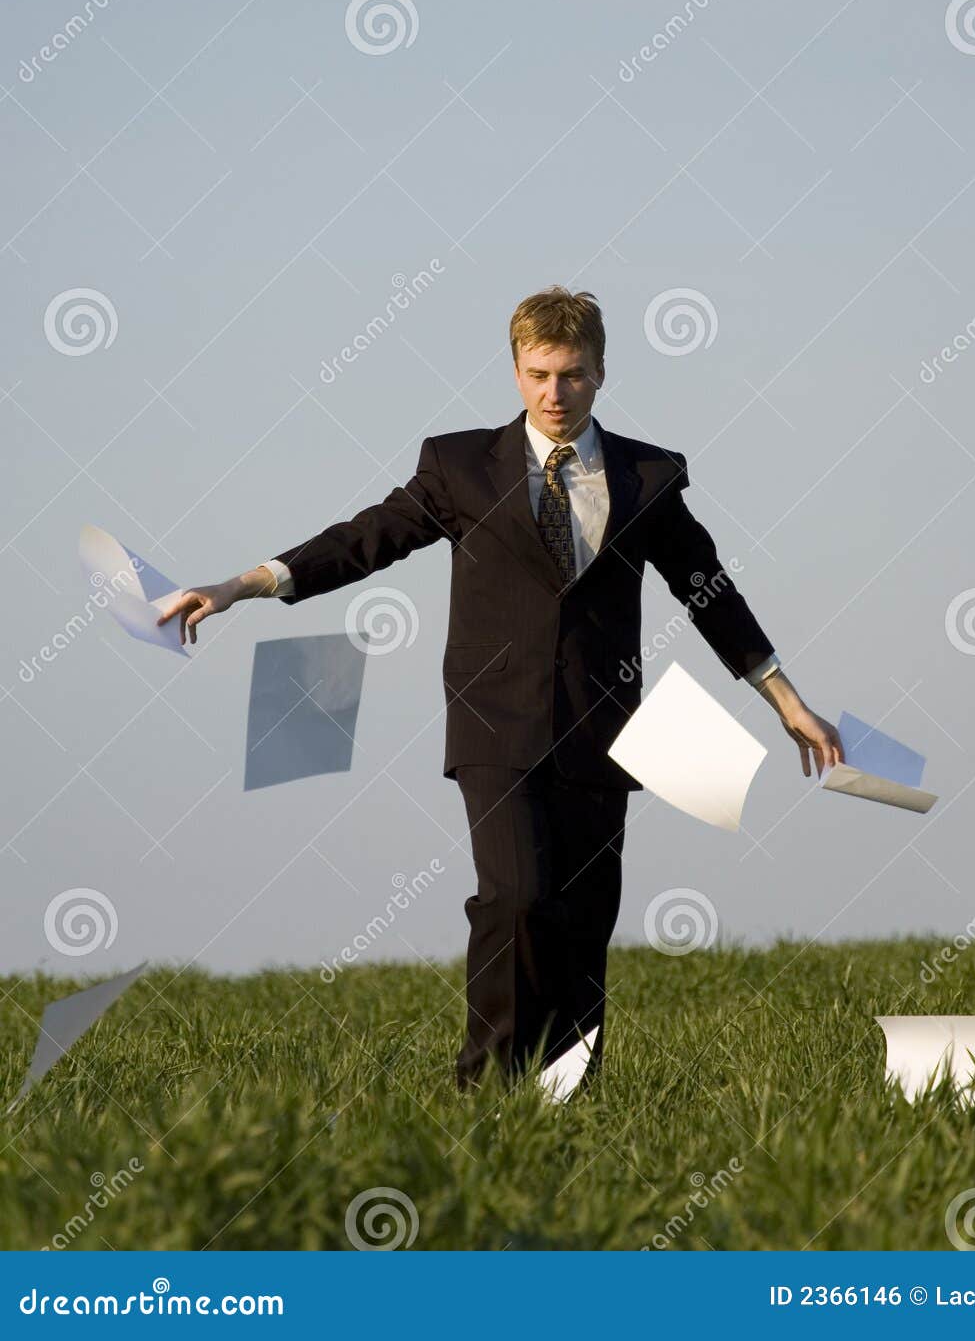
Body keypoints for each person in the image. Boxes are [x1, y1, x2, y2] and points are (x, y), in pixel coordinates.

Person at [159, 286, 842, 1093]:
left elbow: (709, 590)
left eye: (573, 375)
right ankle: (486, 1091)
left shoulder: (649, 475)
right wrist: (241, 586)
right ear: (516, 371)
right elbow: (366, 538)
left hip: (602, 725)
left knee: (583, 917)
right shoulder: (459, 467)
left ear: (600, 372)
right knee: (516, 897)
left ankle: (567, 1102)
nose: (556, 394)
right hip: (494, 724)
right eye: (539, 374)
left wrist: (786, 700)